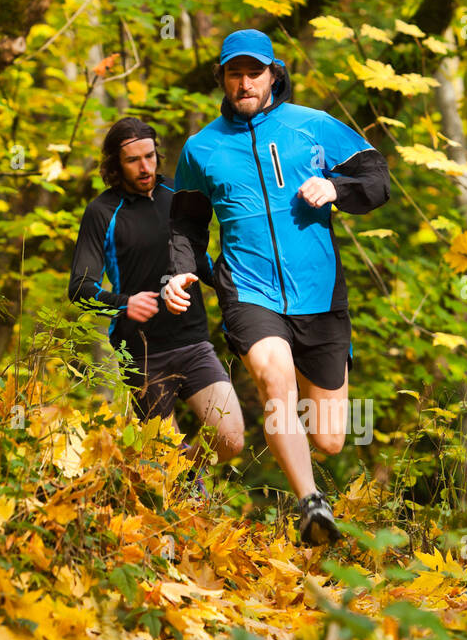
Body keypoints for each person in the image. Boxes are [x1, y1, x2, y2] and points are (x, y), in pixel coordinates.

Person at [162, 30, 390, 544]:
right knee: (273, 377)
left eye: (254, 72)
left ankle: (201, 458)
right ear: (221, 79)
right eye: (233, 73)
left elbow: (378, 179)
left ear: (273, 75)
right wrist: (180, 272)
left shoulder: (313, 126)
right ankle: (310, 504)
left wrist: (337, 186)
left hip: (320, 294)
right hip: (248, 290)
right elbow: (186, 227)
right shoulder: (201, 148)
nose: (244, 82)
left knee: (330, 437)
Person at [68, 116, 244, 472]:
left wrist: (237, 291)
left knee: (230, 438)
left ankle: (185, 478)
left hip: (194, 342)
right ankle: (179, 502)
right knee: (161, 462)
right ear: (115, 164)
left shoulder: (178, 196)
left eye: (149, 156)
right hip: (142, 353)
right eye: (133, 160)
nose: (145, 167)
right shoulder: (102, 212)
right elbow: (80, 288)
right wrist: (124, 303)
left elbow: (202, 261)